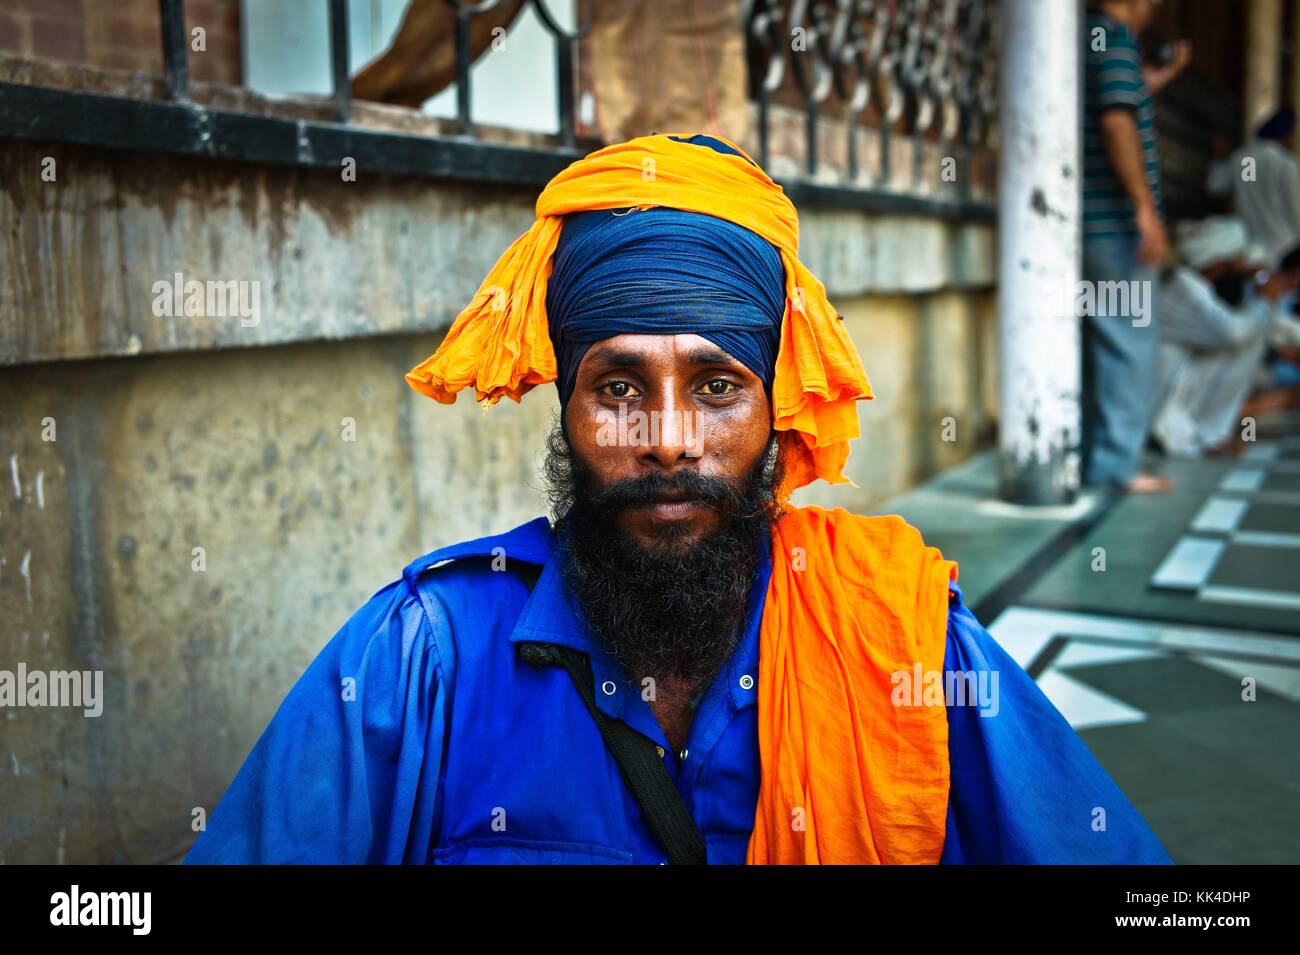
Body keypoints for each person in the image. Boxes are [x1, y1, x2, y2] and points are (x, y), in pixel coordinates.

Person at [185, 133, 1170, 865]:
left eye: (714, 386)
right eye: (617, 388)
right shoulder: (423, 657)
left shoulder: (898, 639)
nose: (667, 437)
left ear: (774, 406)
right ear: (564, 406)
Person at [1081, 0, 1190, 493]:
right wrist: (1145, 209)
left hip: (1086, 223)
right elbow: (1116, 120)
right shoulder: (1118, 39)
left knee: (1102, 340)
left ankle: (1095, 457)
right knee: (1129, 342)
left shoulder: (1085, 38)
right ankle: (1116, 466)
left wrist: (1159, 78)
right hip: (1115, 224)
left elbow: (1118, 98)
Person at [1152, 218, 1283, 457]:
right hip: (1160, 394)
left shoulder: (1189, 283)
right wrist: (1264, 301)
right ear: (1218, 265)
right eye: (1238, 262)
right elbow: (1235, 333)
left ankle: (1205, 433)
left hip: (1164, 385)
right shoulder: (1184, 287)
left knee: (1254, 331)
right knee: (1249, 340)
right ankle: (1202, 436)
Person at [1207, 108, 1300, 270]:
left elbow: (1217, 187)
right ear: (1286, 135)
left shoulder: (1247, 159)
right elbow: (1295, 208)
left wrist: (1219, 159)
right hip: (1285, 250)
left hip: (1250, 249)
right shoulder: (1286, 164)